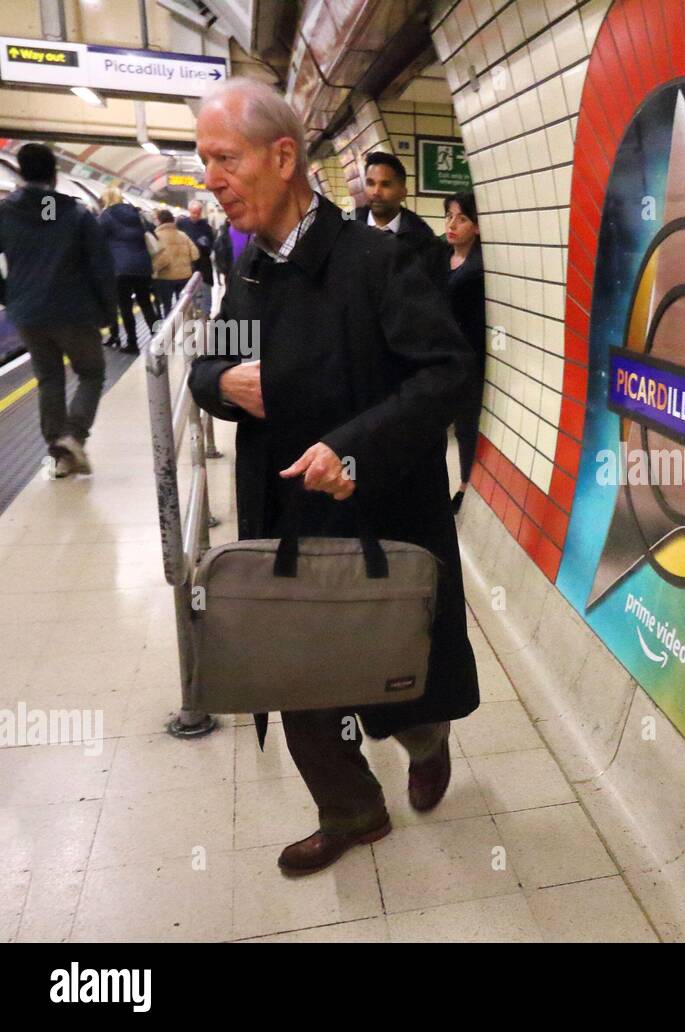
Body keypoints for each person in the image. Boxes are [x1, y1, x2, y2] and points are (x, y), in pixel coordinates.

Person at [188, 78, 479, 876]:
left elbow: (445, 375)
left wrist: (354, 448)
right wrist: (220, 384)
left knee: (402, 676)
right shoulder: (248, 272)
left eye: (222, 158)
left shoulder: (378, 262)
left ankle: (427, 741)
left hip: (379, 509)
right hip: (283, 512)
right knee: (299, 674)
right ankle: (353, 812)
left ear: (283, 158)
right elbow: (211, 360)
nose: (209, 177)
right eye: (203, 159)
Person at [0, 143, 116, 477]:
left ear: (21, 173)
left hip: (27, 315)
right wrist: (108, 310)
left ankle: (60, 453)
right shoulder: (72, 214)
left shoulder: (6, 212)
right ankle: (72, 436)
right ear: (54, 174)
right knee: (91, 373)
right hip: (73, 312)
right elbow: (101, 268)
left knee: (48, 378)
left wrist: (9, 296)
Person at [435, 192, 485, 514]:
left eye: (462, 218)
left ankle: (464, 484)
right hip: (437, 354)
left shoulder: (479, 268)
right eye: (449, 216)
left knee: (466, 425)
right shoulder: (439, 255)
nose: (452, 224)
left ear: (477, 228)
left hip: (468, 357)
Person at [354, 150, 451, 294]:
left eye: (385, 185)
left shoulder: (425, 243)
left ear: (403, 192)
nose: (376, 192)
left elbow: (435, 301)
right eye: (370, 183)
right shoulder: (344, 232)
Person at [98, 184, 159, 353]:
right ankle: (159, 337)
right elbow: (152, 232)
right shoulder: (137, 213)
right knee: (146, 303)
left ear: (106, 199)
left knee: (125, 306)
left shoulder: (106, 216)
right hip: (142, 266)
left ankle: (132, 343)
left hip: (120, 268)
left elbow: (97, 240)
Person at [150, 209, 200, 314]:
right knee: (184, 306)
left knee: (167, 306)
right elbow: (196, 254)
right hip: (184, 276)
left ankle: (169, 328)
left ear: (159, 221)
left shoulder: (155, 236)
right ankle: (183, 326)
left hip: (164, 277)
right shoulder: (183, 235)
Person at [176, 199, 215, 316]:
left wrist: (206, 244)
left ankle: (205, 314)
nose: (196, 215)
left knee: (206, 289)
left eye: (198, 213)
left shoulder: (206, 226)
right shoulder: (181, 224)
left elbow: (212, 244)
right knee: (190, 290)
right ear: (189, 211)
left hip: (204, 263)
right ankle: (193, 312)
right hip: (188, 264)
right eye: (193, 213)